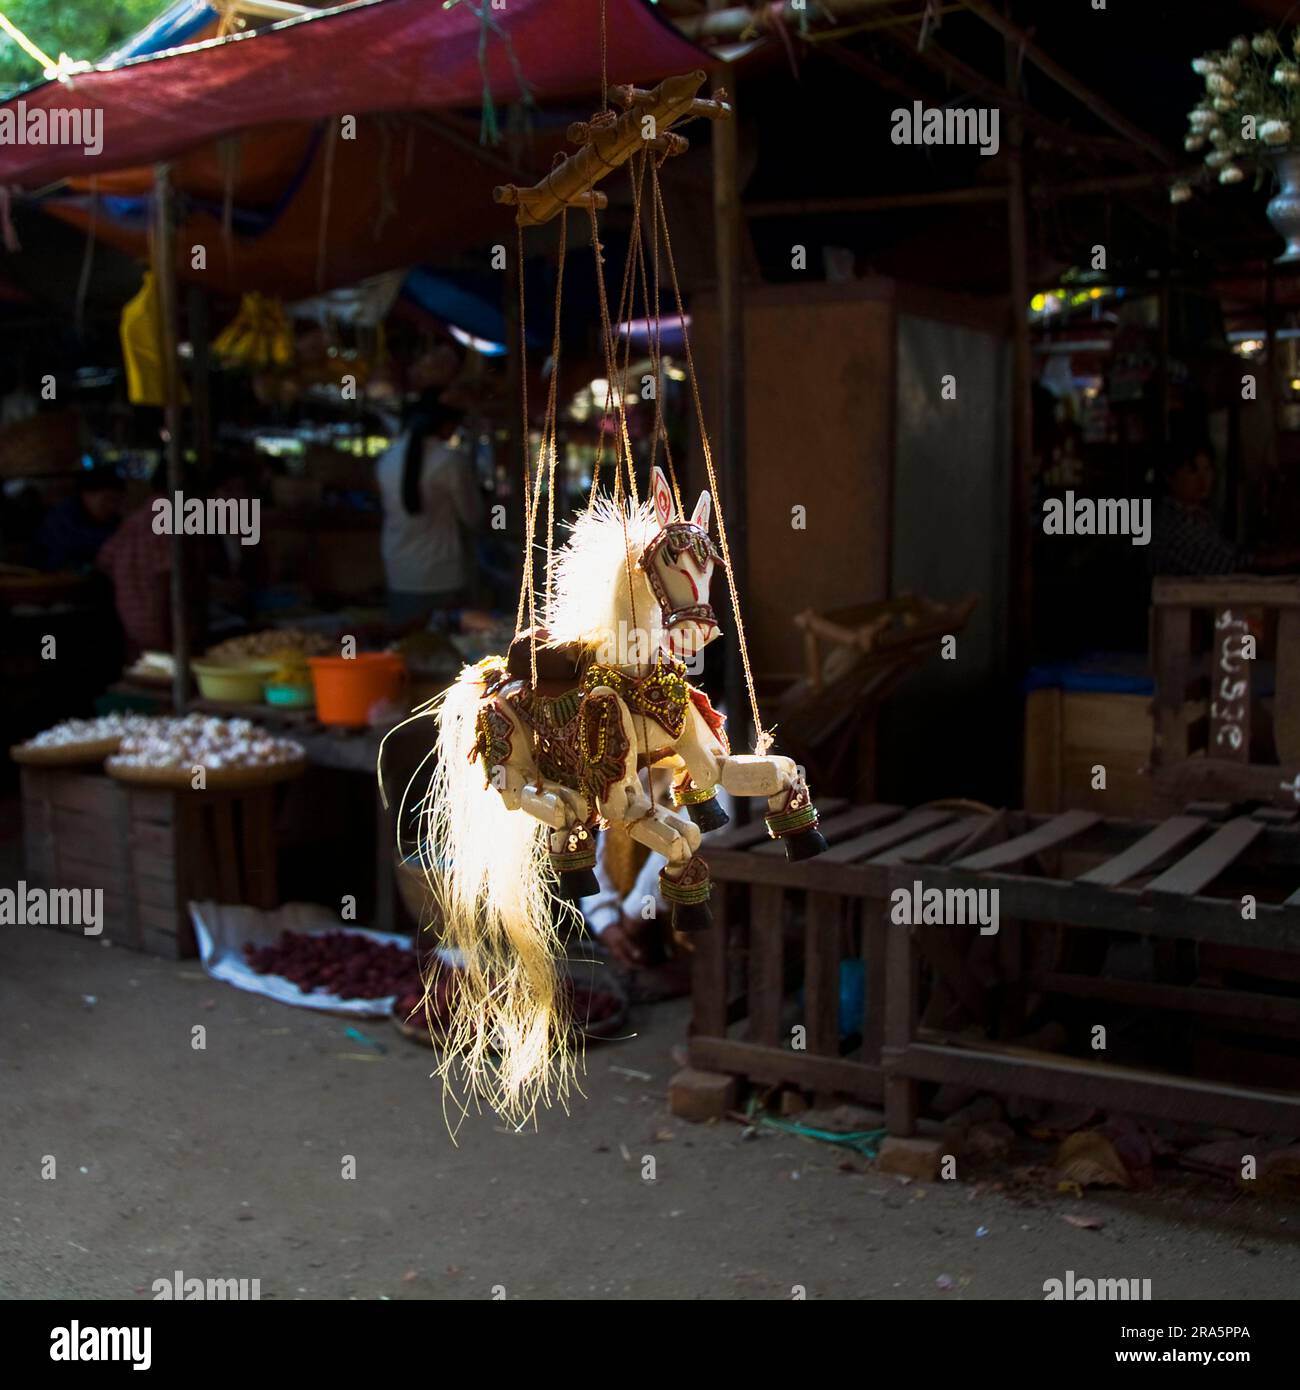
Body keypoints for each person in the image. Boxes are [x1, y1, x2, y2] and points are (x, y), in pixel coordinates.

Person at [376, 392, 482, 633]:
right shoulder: (451, 461)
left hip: (399, 570)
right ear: (445, 426)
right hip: (441, 573)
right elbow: (472, 515)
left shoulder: (386, 461)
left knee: (406, 645)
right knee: (447, 649)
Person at [1152, 443, 1300, 576]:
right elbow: (1230, 565)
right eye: (1193, 471)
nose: (1203, 479)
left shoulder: (1197, 516)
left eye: (1208, 469)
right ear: (1169, 477)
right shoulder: (1173, 523)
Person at [36, 464, 123, 571]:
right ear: (87, 495)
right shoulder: (62, 518)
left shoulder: (113, 520)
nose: (112, 506)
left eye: (116, 501)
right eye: (107, 499)